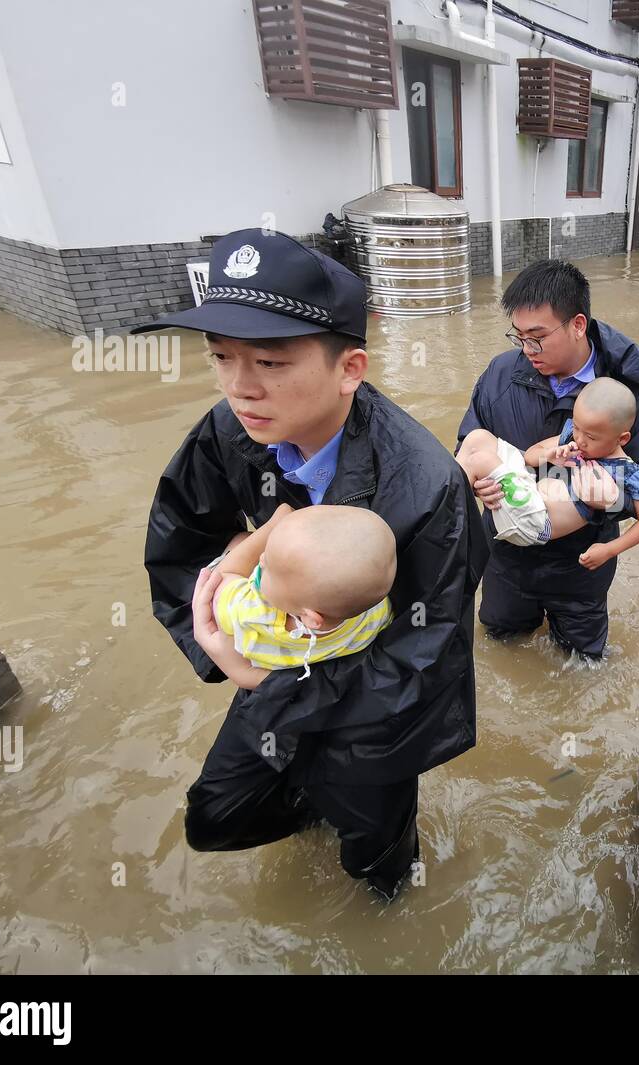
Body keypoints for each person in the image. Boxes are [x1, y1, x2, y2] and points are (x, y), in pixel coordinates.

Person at [138, 228, 488, 900]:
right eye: (220, 356)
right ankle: (308, 797)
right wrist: (217, 633)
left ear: (349, 368)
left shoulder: (426, 484)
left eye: (270, 363)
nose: (242, 389)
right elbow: (178, 546)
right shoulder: (229, 430)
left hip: (374, 716)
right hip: (275, 670)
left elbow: (427, 653)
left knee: (377, 862)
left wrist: (264, 680)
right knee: (215, 818)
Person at [457, 259, 639, 659]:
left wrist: (610, 501)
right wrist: (475, 483)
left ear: (577, 325)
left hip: (581, 564)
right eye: (519, 337)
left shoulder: (627, 393)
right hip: (507, 552)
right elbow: (470, 440)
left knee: (581, 661)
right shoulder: (500, 375)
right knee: (502, 642)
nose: (527, 350)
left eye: (537, 337)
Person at [456, 377, 639, 570]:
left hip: (535, 524)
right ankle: (450, 514)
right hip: (527, 492)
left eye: (590, 436)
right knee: (476, 438)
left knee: (481, 460)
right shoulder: (572, 437)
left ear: (622, 439)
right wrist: (550, 456)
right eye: (577, 427)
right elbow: (529, 457)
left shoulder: (631, 473)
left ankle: (451, 525)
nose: (579, 440)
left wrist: (609, 550)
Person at [196, 503, 396, 688]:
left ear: (310, 616)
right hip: (317, 661)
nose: (262, 560)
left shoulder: (255, 617)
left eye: (271, 570)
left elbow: (222, 580)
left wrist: (272, 526)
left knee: (240, 539)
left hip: (254, 654)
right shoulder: (375, 613)